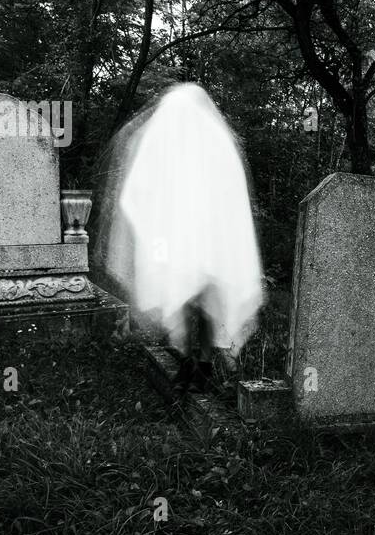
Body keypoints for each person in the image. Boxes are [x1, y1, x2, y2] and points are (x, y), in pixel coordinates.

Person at [95, 83, 264, 389]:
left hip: (207, 243)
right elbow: (144, 191)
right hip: (181, 243)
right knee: (186, 296)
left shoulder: (213, 145)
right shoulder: (169, 147)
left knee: (205, 298)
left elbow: (227, 200)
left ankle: (202, 362)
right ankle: (193, 361)